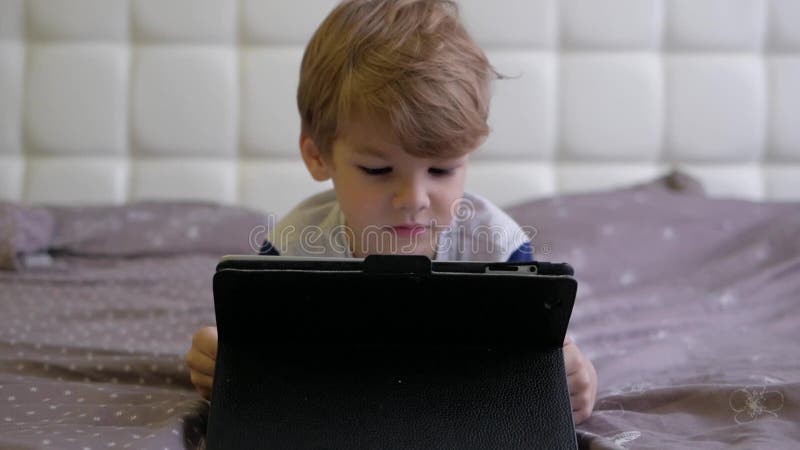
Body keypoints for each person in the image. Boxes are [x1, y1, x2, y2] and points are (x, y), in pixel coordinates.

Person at [186, 0, 597, 424]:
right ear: (317, 156)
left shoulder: (500, 252)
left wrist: (570, 380)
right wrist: (223, 357)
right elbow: (257, 347)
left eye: (442, 169)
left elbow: (538, 359)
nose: (414, 198)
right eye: (378, 170)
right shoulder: (292, 250)